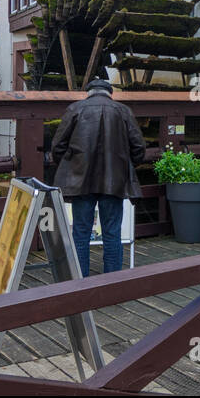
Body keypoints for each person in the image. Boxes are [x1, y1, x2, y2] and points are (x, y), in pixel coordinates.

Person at [49, 79, 146, 276]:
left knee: (80, 233)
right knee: (112, 233)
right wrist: (124, 165)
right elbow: (139, 148)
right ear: (110, 93)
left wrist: (71, 165)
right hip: (114, 181)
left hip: (80, 180)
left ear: (89, 92)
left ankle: (80, 281)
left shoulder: (75, 109)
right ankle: (112, 281)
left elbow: (58, 146)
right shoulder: (123, 111)